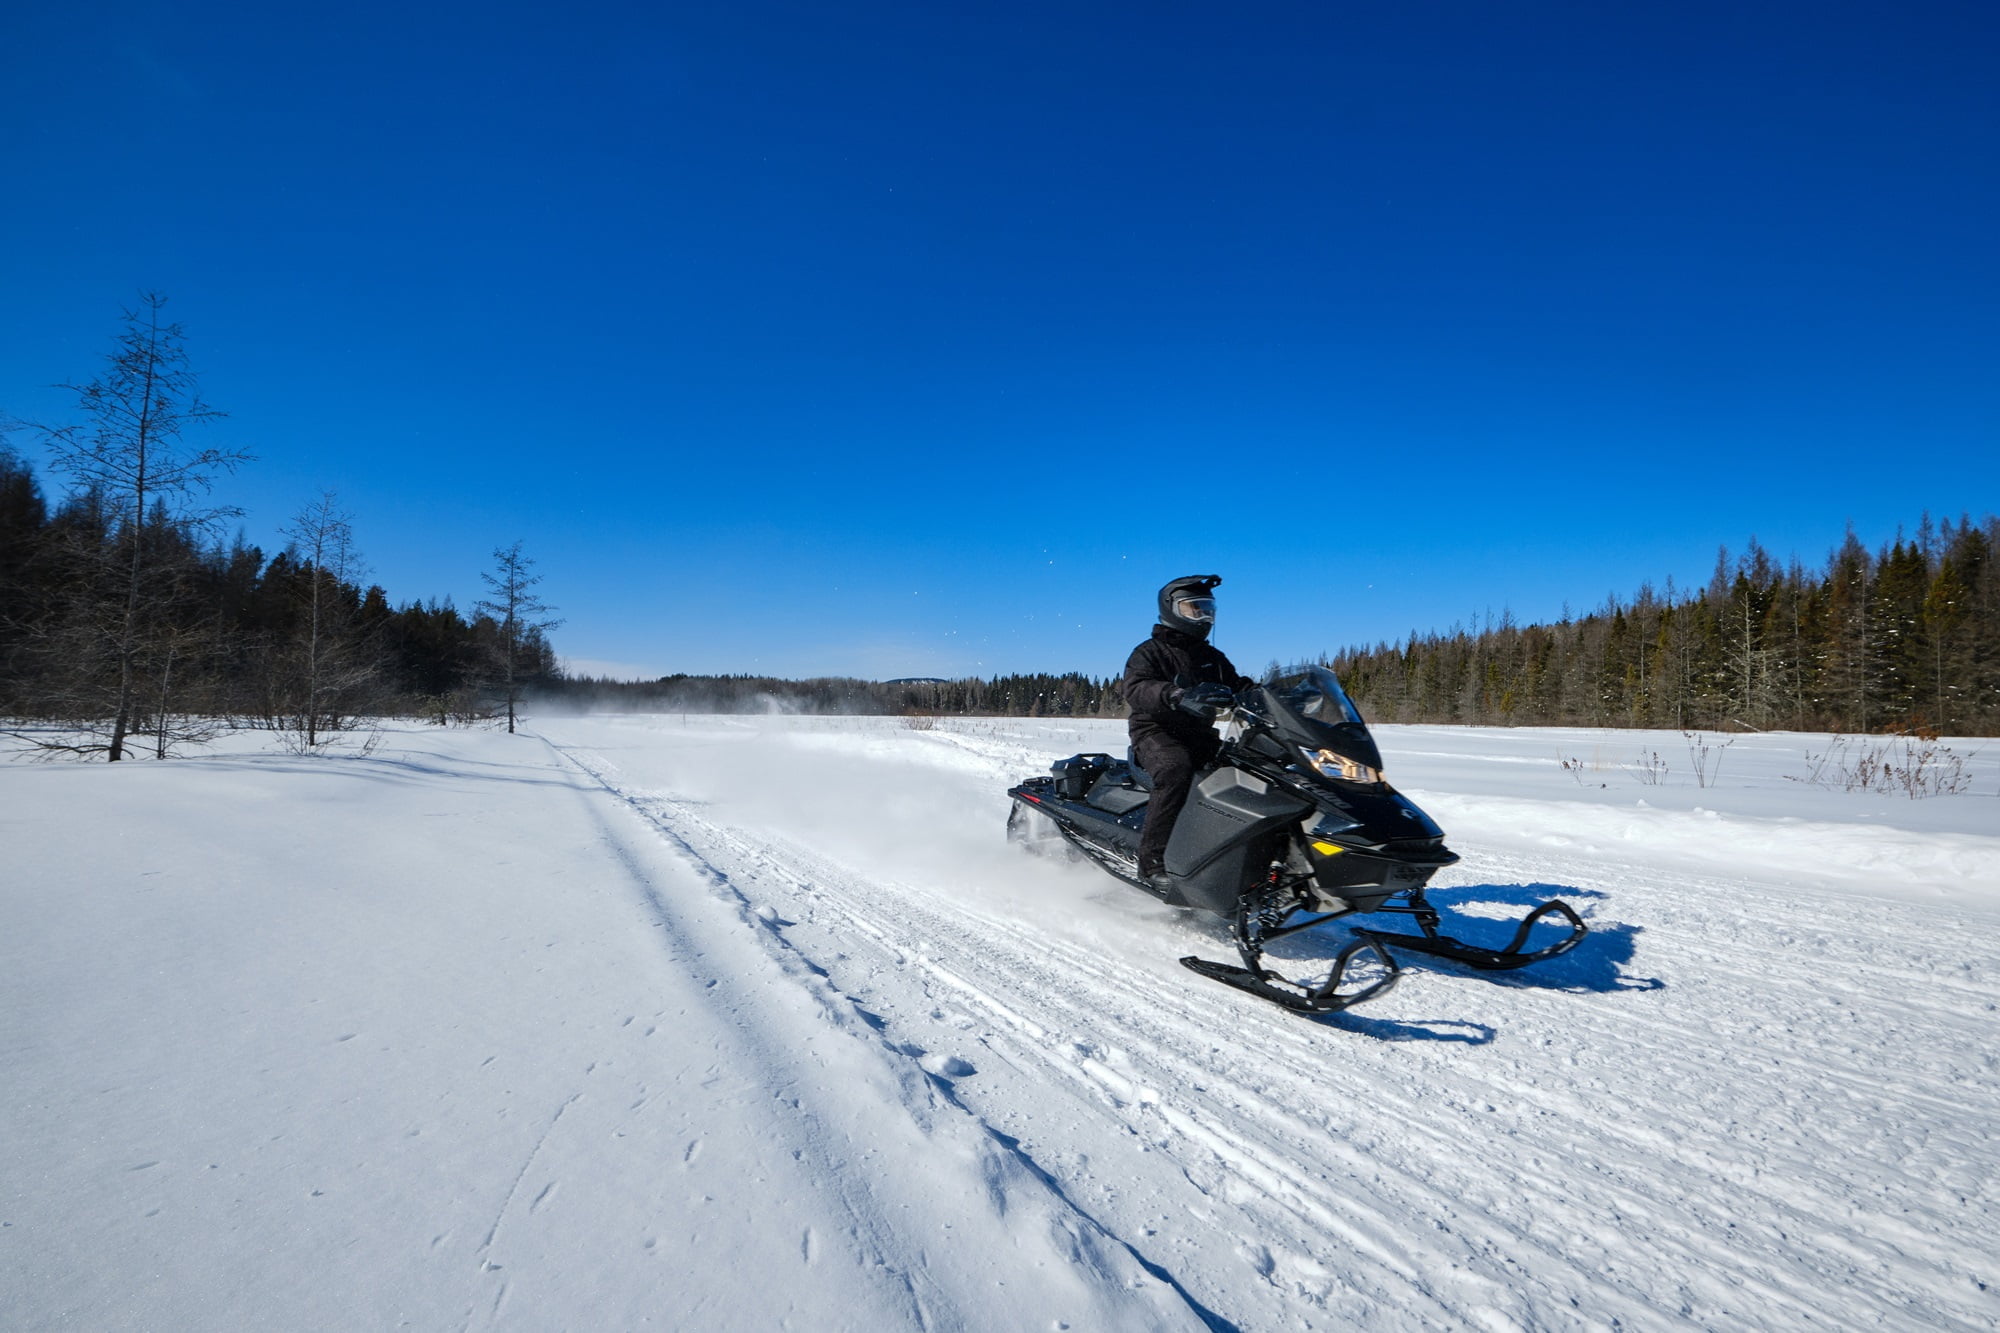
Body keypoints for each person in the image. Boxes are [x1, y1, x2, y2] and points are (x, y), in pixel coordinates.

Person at [1121, 574, 1255, 881]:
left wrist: (1274, 695)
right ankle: (1152, 862)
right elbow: (1137, 687)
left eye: (1208, 608)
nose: (1204, 616)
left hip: (1199, 735)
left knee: (1247, 770)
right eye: (1195, 608)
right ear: (1173, 609)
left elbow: (1239, 685)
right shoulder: (1149, 651)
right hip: (1155, 732)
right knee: (1175, 770)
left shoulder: (1212, 657)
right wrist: (1174, 695)